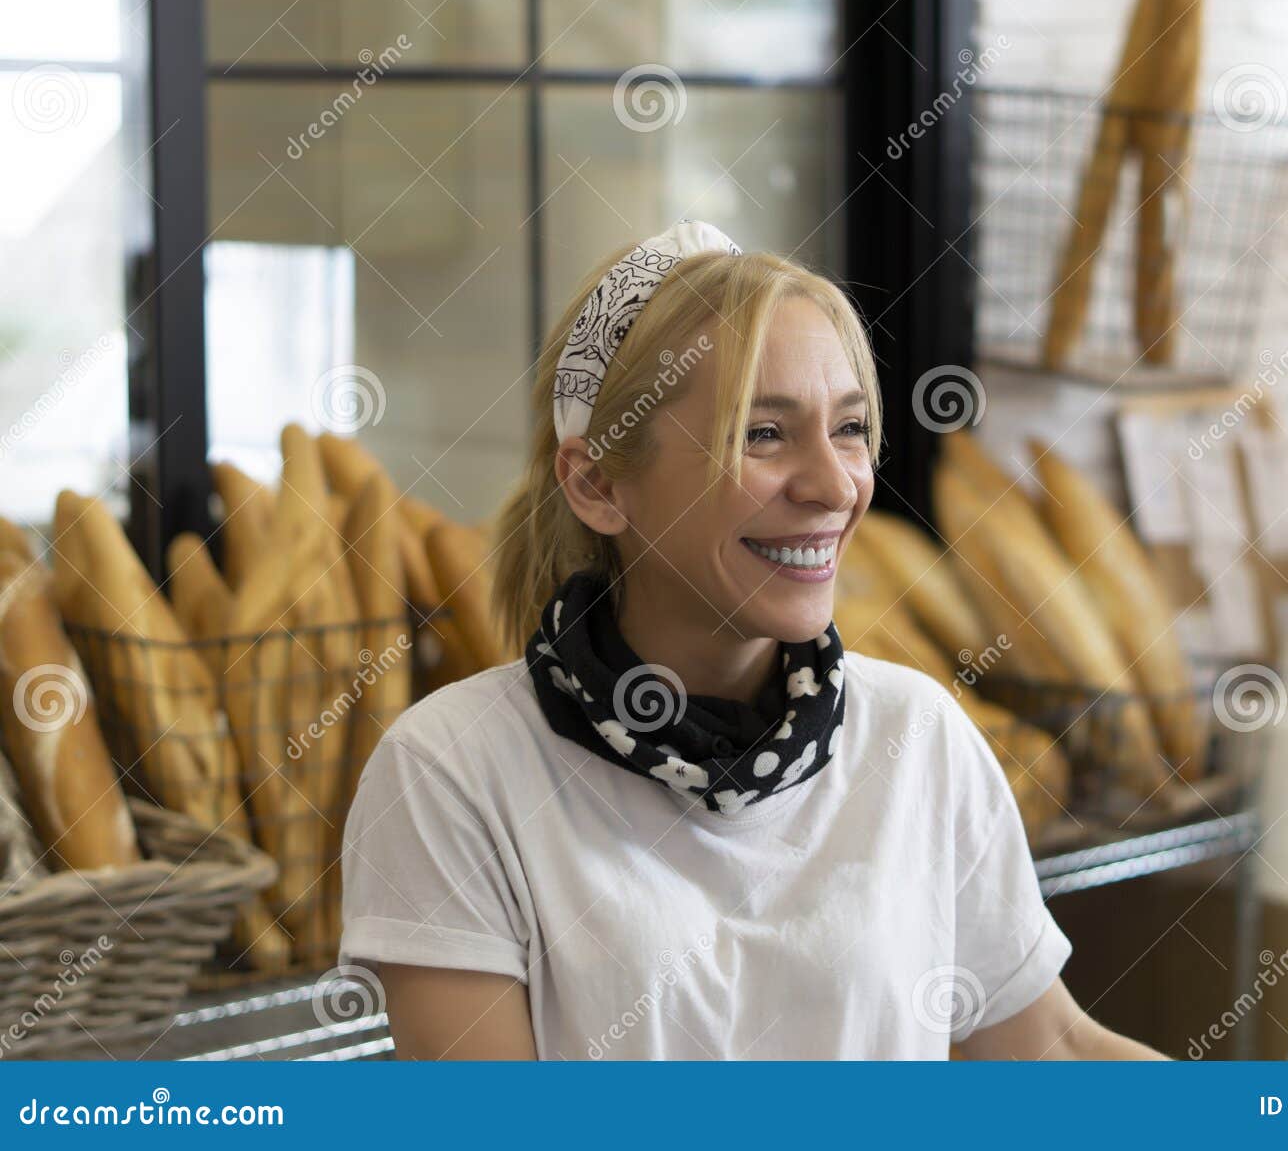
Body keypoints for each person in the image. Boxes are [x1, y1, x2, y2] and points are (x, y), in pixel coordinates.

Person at [337, 219, 1165, 1061]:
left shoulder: (916, 735)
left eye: (848, 428)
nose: (836, 484)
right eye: (761, 434)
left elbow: (1049, 1051)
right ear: (596, 484)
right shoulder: (454, 771)